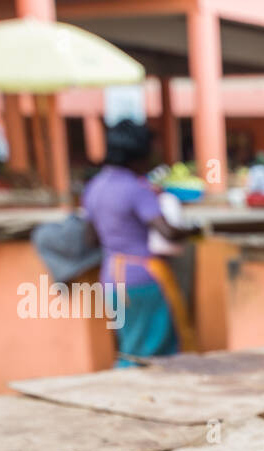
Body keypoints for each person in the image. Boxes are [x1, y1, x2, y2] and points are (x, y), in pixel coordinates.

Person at [81, 120, 200, 364]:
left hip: (111, 278)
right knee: (151, 353)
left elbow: (91, 237)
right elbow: (167, 232)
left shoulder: (95, 187)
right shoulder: (136, 189)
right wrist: (194, 230)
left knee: (130, 347)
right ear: (137, 155)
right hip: (143, 278)